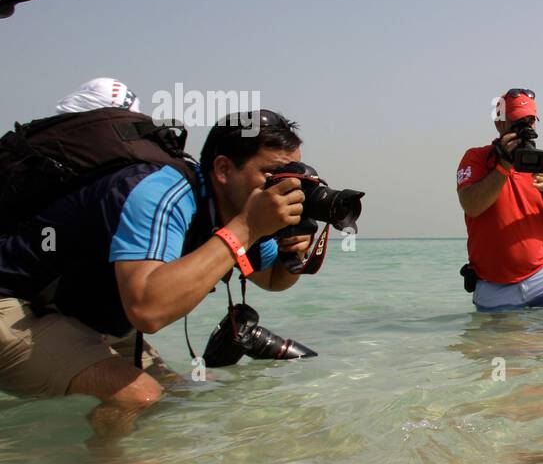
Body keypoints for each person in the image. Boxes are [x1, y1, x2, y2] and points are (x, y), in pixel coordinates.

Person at [0, 106, 311, 441]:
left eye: (291, 176)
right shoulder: (161, 192)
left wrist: (293, 253)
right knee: (138, 396)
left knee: (179, 394)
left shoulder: (235, 209)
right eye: (272, 174)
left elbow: (272, 279)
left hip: (78, 314)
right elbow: (148, 311)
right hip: (16, 303)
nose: (284, 186)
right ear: (223, 169)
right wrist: (247, 227)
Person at [456, 88, 543, 313]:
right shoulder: (476, 158)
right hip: (493, 283)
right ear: (500, 125)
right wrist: (503, 166)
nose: (525, 128)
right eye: (517, 121)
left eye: (530, 121)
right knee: (499, 348)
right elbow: (471, 205)